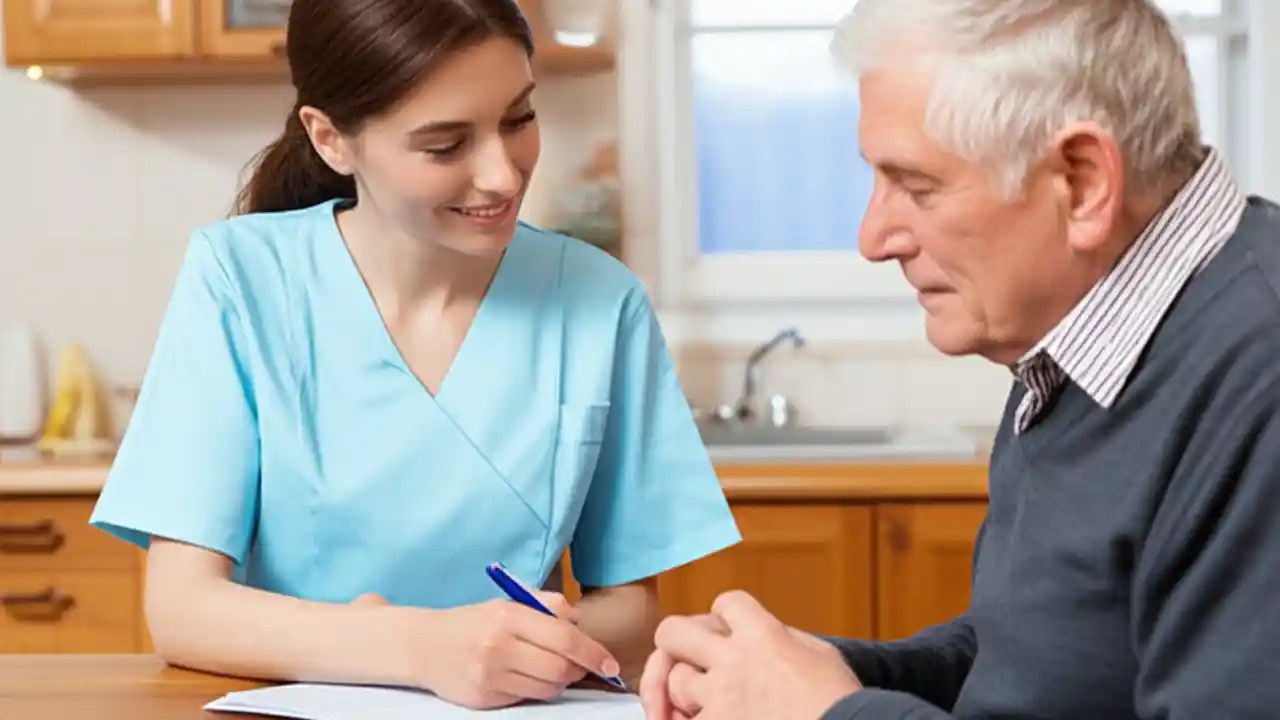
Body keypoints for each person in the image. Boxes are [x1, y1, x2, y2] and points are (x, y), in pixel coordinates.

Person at [87, 0, 740, 710]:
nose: (502, 175)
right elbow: (183, 609)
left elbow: (632, 609)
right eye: (445, 145)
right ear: (331, 138)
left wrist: (539, 647)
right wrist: (422, 648)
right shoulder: (240, 280)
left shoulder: (599, 301)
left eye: (518, 119)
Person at [640, 1, 1280, 718]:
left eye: (916, 187)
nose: (873, 236)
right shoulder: (1082, 329)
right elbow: (1046, 660)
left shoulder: (1258, 381)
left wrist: (825, 713)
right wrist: (823, 673)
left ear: (1084, 181)